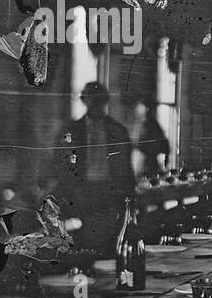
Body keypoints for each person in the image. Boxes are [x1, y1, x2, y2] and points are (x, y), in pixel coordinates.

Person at [50, 81, 134, 255]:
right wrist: (71, 190)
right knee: (83, 239)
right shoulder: (71, 131)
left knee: (109, 239)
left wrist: (127, 196)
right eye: (91, 98)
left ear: (105, 101)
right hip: (82, 191)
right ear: (84, 100)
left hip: (109, 191)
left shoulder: (118, 131)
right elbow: (60, 164)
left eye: (99, 98)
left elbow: (126, 169)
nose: (95, 102)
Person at [129, 97, 171, 178]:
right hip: (141, 161)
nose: (138, 110)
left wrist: (166, 159)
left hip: (148, 163)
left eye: (141, 107)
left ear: (147, 109)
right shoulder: (140, 123)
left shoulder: (152, 124)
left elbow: (165, 145)